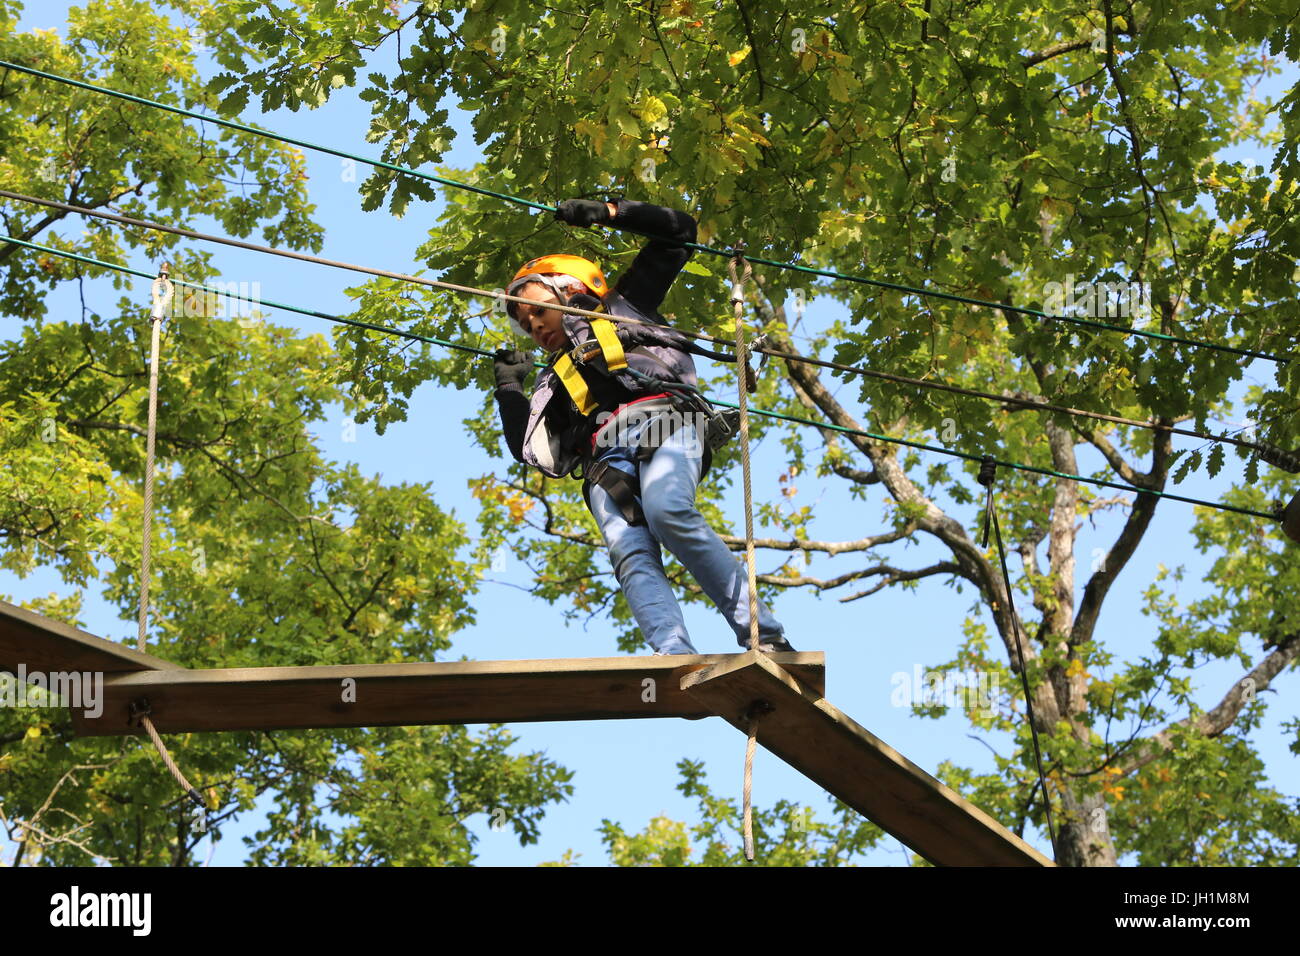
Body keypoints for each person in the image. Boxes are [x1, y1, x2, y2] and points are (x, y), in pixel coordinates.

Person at [491, 196, 791, 656]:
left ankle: (766, 638)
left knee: (668, 511)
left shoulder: (624, 308)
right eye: (526, 325)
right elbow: (528, 447)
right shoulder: (555, 381)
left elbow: (679, 231)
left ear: (570, 290)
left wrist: (610, 212)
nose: (534, 326)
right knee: (630, 555)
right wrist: (510, 388)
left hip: (663, 421)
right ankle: (674, 656)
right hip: (605, 463)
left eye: (537, 311)